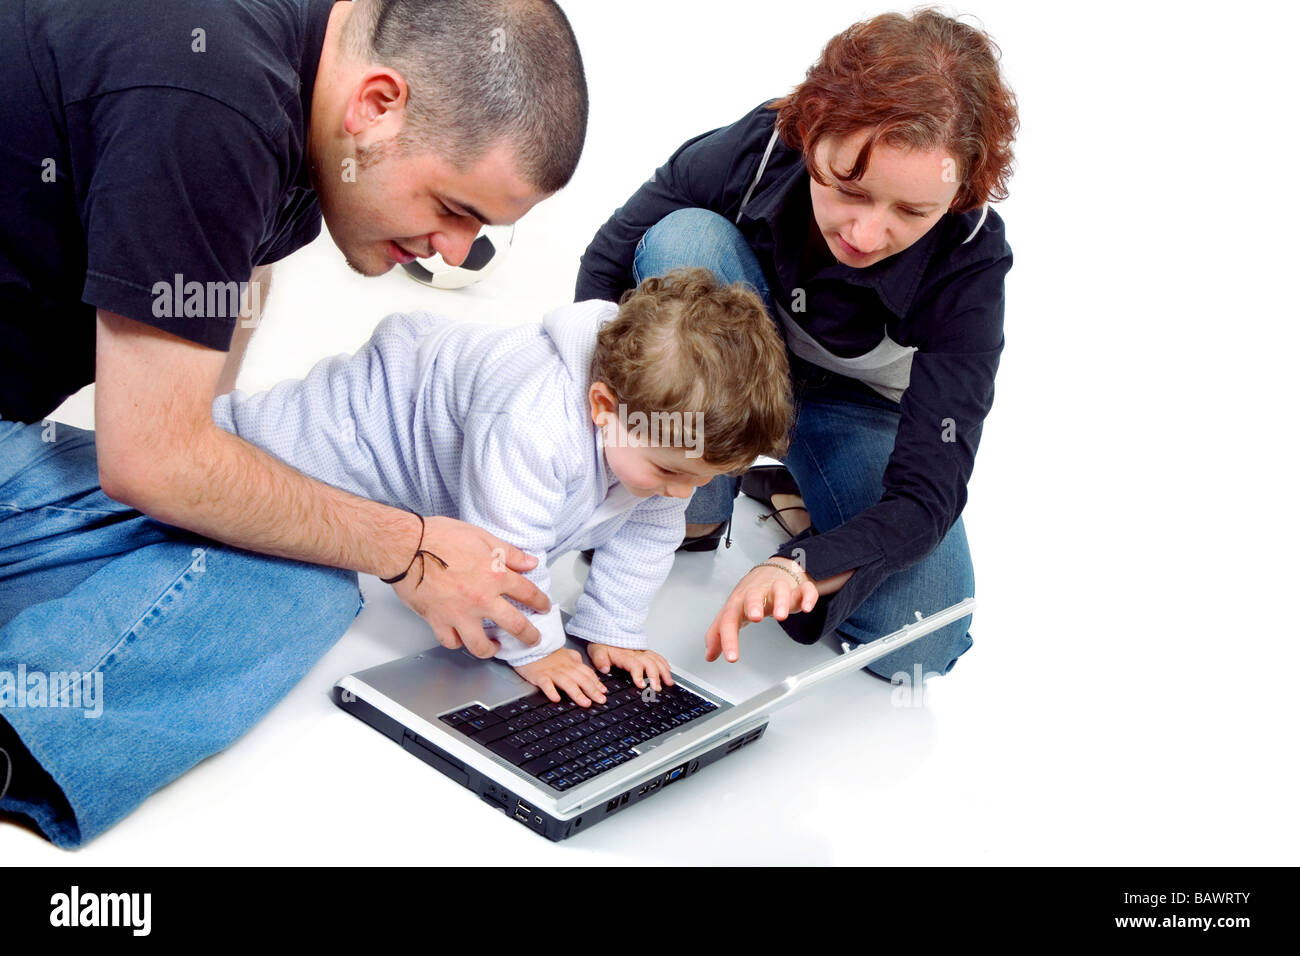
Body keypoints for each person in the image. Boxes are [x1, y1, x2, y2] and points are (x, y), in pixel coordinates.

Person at [0, 0, 586, 848]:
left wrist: (212, 468)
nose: (457, 253)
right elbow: (151, 459)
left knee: (303, 564)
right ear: (378, 104)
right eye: (456, 209)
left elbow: (231, 289)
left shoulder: (298, 85)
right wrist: (412, 546)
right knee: (319, 551)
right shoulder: (213, 96)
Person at [575, 9, 1019, 682]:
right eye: (849, 189)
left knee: (922, 640)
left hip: (856, 413)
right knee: (684, 239)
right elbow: (607, 271)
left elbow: (930, 492)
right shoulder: (756, 148)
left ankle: (797, 491)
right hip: (734, 376)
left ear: (958, 193)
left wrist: (802, 564)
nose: (867, 235)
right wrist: (581, 428)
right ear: (810, 135)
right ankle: (695, 502)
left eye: (911, 211)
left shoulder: (971, 260)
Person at [212, 268, 793, 704]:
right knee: (244, 477)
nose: (678, 494)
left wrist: (611, 629)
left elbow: (646, 538)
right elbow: (504, 551)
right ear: (602, 407)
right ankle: (189, 445)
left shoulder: (661, 440)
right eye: (669, 472)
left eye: (703, 479)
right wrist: (537, 649)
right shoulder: (533, 423)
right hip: (346, 432)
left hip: (410, 485)